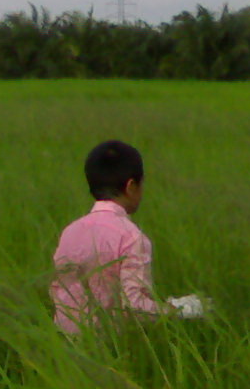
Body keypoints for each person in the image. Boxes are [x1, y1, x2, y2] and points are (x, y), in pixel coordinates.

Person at [51, 139, 202, 333]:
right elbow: (135, 307)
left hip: (65, 341)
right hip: (111, 341)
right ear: (131, 186)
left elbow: (60, 290)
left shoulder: (70, 232)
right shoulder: (131, 237)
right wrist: (177, 310)